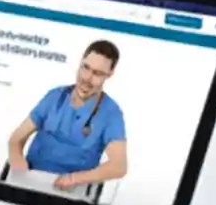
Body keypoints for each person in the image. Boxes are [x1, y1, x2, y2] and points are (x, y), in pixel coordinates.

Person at [7, 41, 129, 193]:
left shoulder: (111, 114)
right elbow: (16, 139)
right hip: (31, 179)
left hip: (70, 190)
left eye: (97, 73)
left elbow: (119, 166)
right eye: (85, 67)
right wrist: (17, 160)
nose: (87, 78)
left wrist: (74, 179)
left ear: (110, 74)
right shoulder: (55, 96)